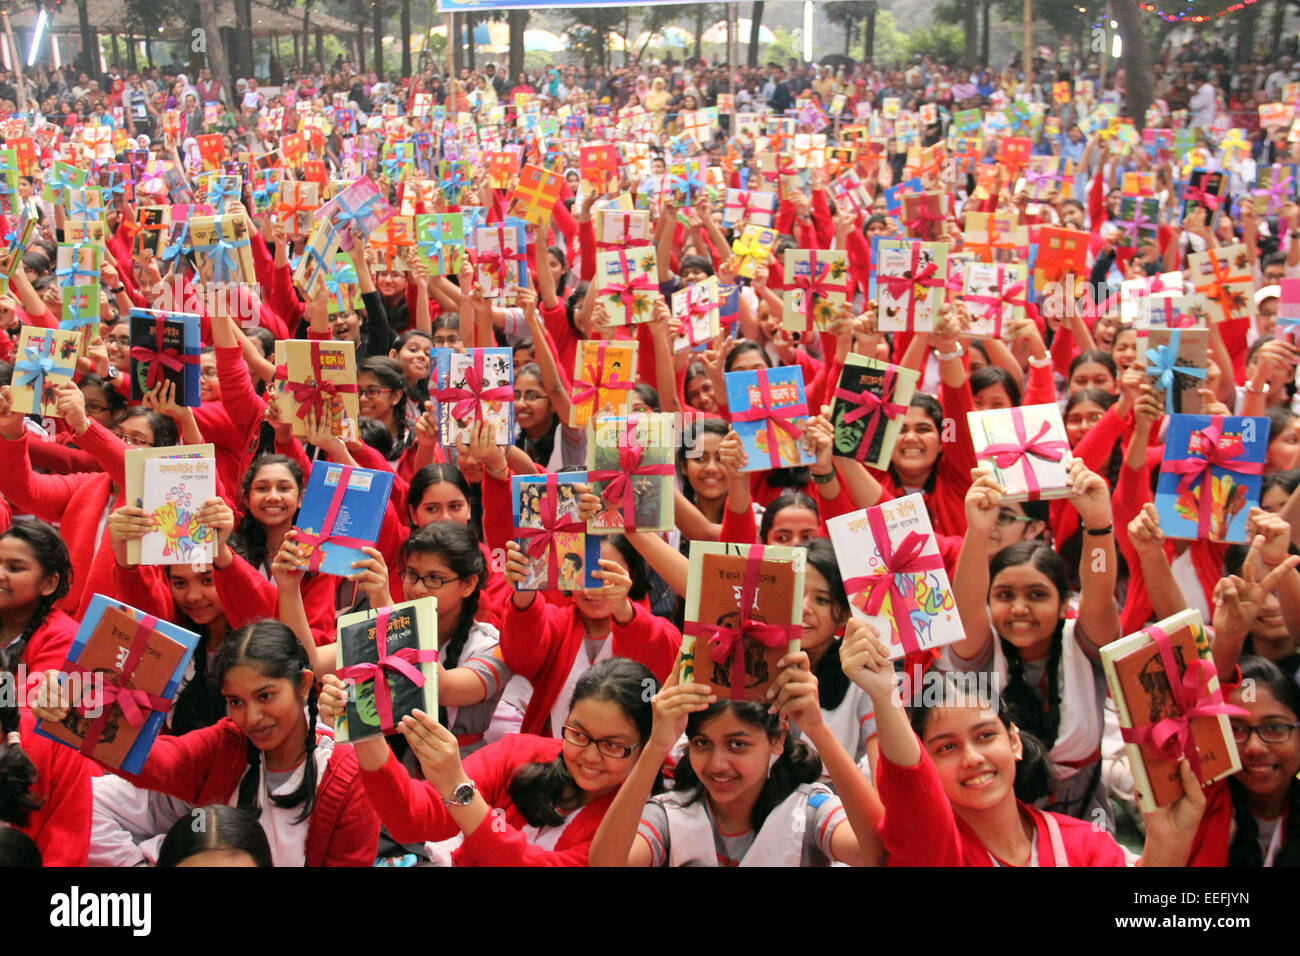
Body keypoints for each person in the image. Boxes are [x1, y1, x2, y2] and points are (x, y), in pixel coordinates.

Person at [840, 619, 1207, 866]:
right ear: (927, 768)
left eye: (985, 736)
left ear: (1014, 742)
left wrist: (1170, 841)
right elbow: (908, 783)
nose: (972, 757)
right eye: (946, 748)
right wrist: (884, 695)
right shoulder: (934, 849)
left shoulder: (1083, 844)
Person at [32, 619, 381, 866]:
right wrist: (72, 707)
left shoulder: (347, 776)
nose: (252, 717)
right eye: (236, 702)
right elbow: (156, 761)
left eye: (266, 695)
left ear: (304, 685)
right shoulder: (226, 743)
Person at [321, 657, 658, 865]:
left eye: (613, 746)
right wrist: (364, 732)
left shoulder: (639, 826)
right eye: (578, 734)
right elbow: (414, 817)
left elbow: (533, 864)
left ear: (646, 747)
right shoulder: (522, 753)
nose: (589, 756)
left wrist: (460, 790)